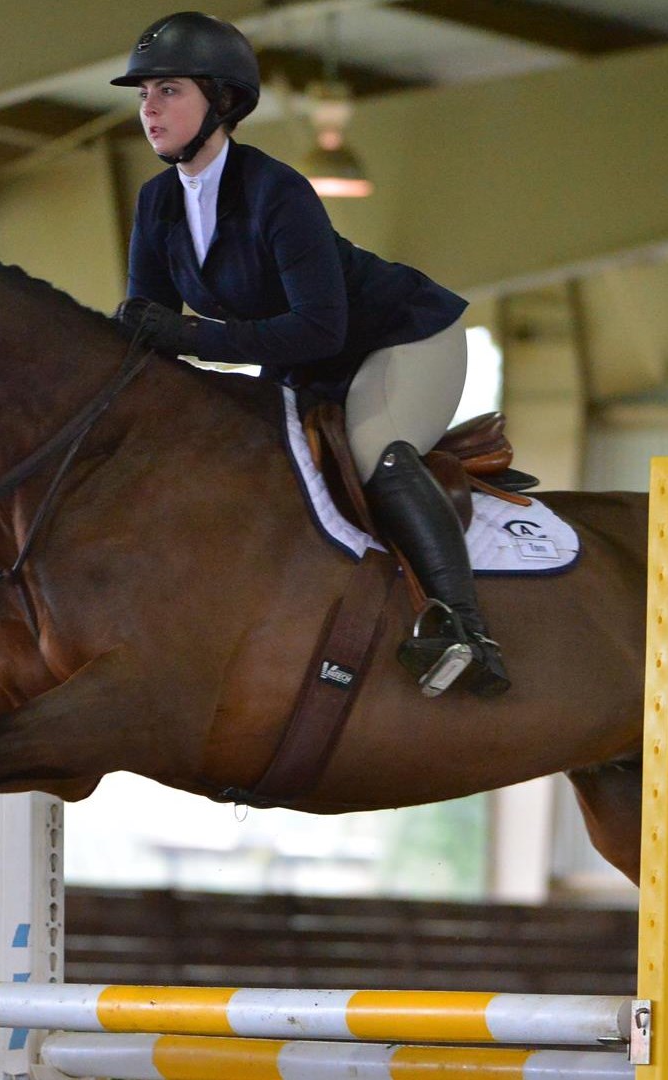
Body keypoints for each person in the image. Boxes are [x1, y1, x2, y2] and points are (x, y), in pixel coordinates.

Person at [110, 11, 507, 696]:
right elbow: (152, 329)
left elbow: (318, 328)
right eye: (143, 93)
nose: (150, 108)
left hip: (400, 338)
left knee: (370, 446)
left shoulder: (277, 192)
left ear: (222, 100)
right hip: (303, 360)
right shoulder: (156, 204)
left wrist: (199, 341)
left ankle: (465, 632)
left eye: (168, 90)